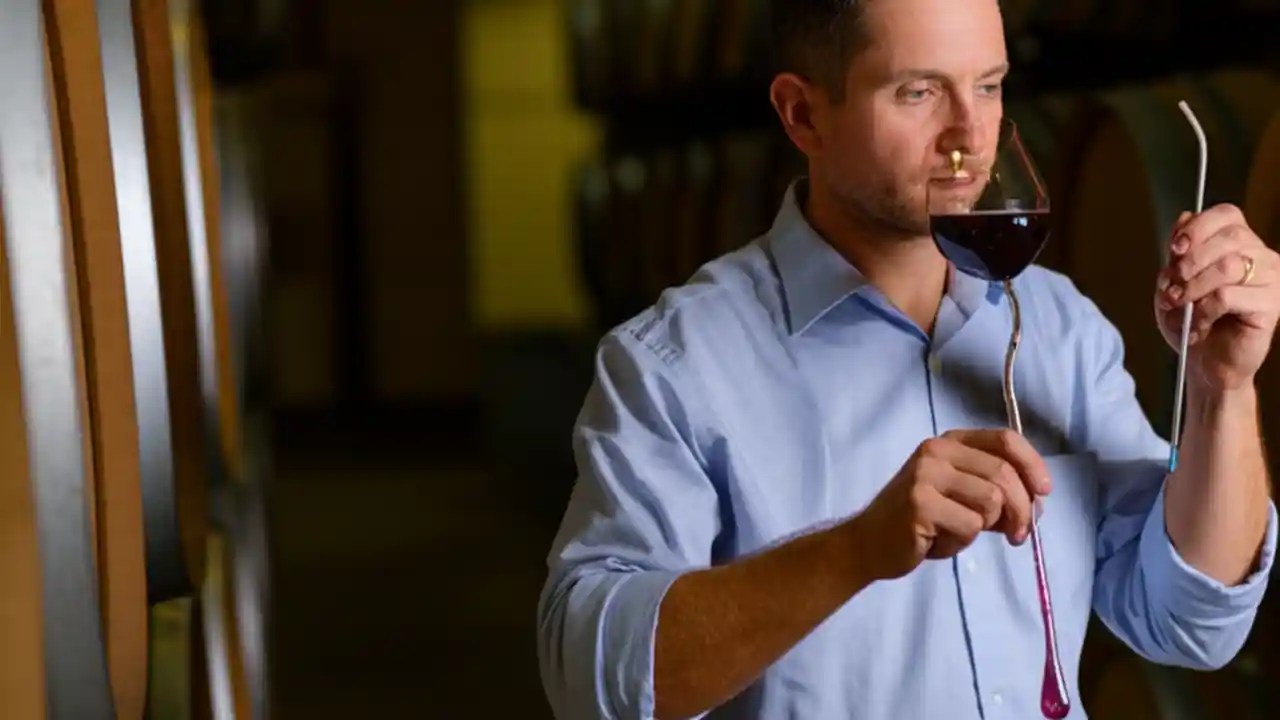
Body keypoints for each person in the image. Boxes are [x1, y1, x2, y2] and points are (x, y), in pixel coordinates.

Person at [537, 0, 1278, 717]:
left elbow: (1188, 620)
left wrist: (1223, 389)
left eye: (988, 86)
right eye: (918, 91)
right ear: (802, 113)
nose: (970, 135)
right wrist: (854, 551)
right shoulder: (676, 362)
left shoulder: (1059, 325)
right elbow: (594, 685)